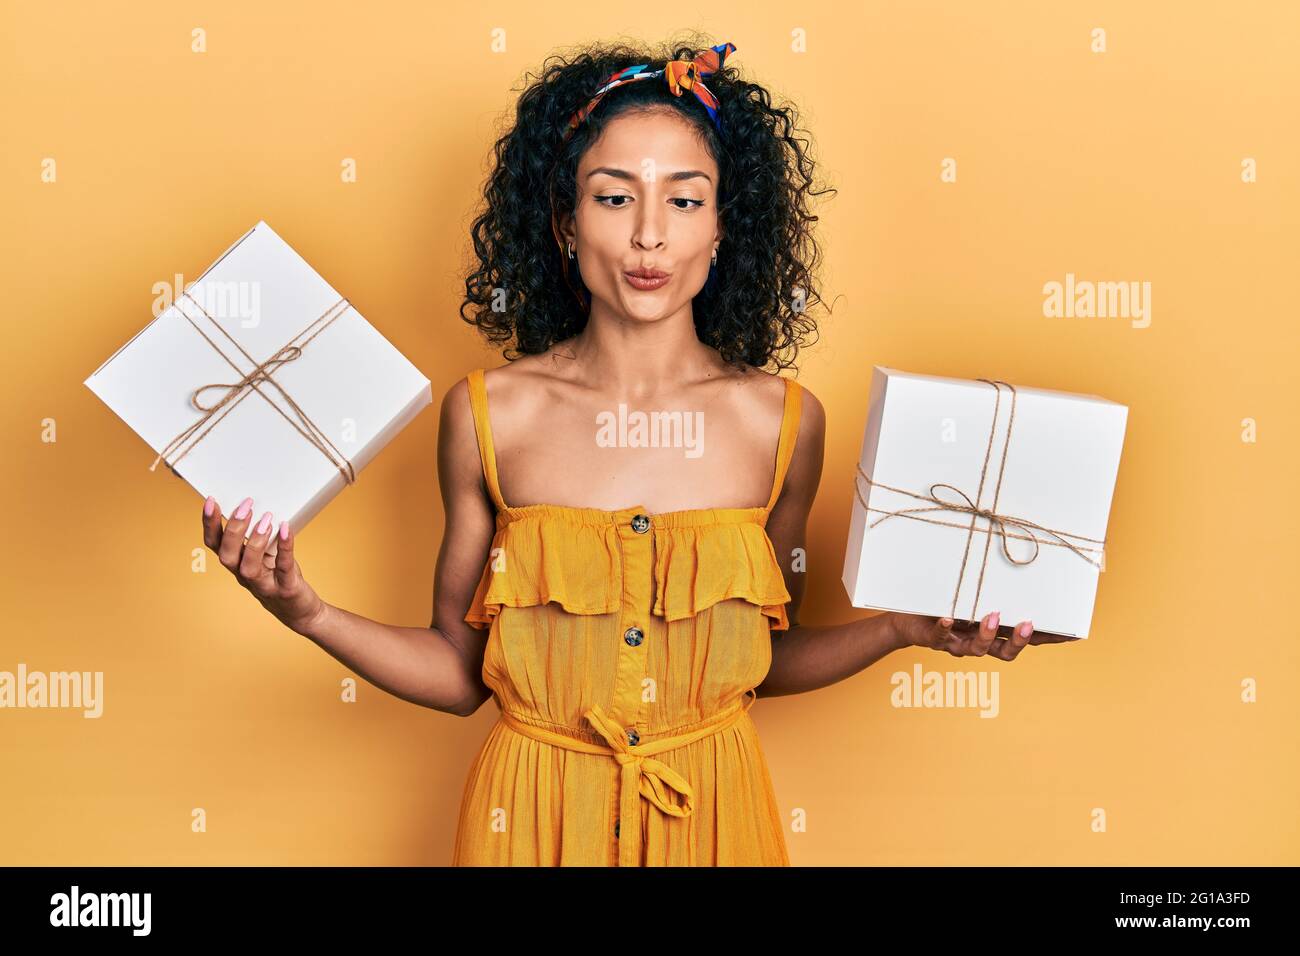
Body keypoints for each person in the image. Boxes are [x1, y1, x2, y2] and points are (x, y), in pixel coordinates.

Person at [200, 37, 1066, 866]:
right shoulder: (488, 417)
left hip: (717, 824)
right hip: (528, 826)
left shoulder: (785, 425)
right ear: (565, 223)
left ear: (724, 227)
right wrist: (306, 611)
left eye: (685, 199)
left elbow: (768, 659)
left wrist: (902, 628)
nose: (650, 235)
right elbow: (459, 674)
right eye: (614, 197)